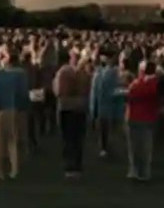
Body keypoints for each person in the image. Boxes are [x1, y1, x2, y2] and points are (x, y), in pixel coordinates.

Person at [0, 47, 27, 181]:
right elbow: (21, 93)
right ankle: (14, 170)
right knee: (12, 140)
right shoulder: (18, 74)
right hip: (11, 109)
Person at [53, 51, 91, 179]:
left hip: (66, 107)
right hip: (80, 108)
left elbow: (58, 91)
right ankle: (77, 166)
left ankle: (69, 166)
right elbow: (88, 90)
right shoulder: (84, 74)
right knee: (78, 138)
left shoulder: (63, 72)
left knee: (67, 138)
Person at [124, 60, 159, 183]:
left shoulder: (148, 83)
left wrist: (132, 85)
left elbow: (133, 93)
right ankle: (137, 170)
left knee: (141, 147)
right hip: (143, 117)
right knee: (140, 146)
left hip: (139, 117)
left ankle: (141, 171)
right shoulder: (148, 82)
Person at [89, 54, 124, 159]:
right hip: (108, 106)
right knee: (109, 129)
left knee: (104, 129)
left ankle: (104, 148)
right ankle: (107, 148)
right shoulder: (112, 74)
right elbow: (115, 91)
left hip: (101, 106)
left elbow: (94, 92)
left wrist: (93, 108)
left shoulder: (98, 74)